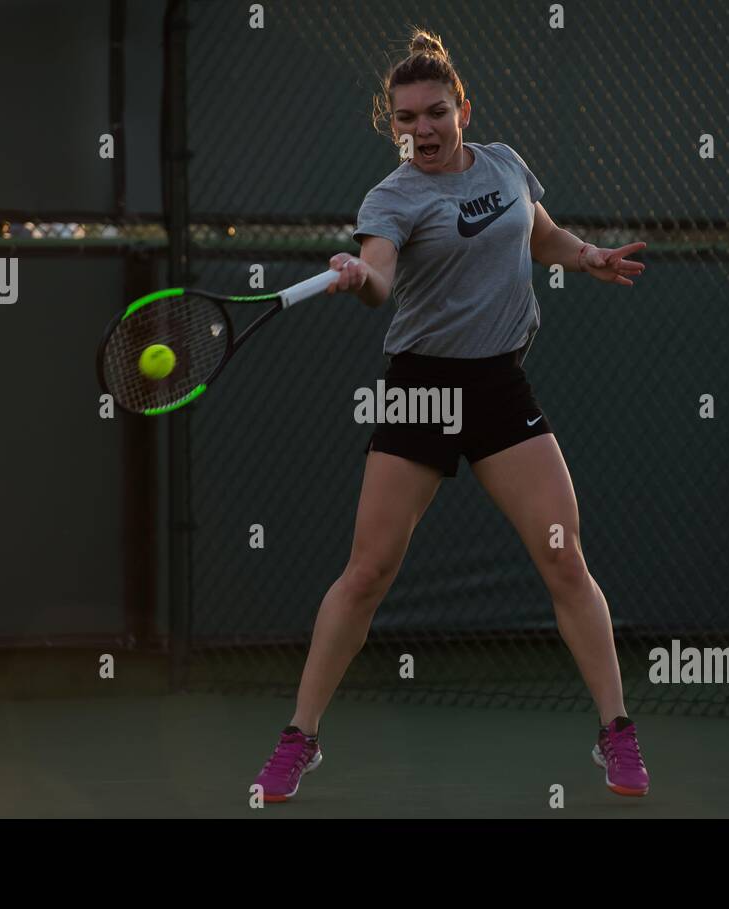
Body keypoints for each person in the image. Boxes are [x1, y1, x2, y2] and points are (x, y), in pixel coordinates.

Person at [253, 29, 649, 803]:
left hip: (501, 389)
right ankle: (299, 738)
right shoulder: (392, 198)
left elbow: (541, 235)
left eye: (435, 112)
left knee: (565, 557)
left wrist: (586, 256)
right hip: (422, 390)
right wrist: (359, 273)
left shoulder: (504, 165)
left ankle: (617, 732)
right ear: (392, 125)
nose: (422, 130)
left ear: (463, 109)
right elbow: (379, 278)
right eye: (406, 119)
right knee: (367, 573)